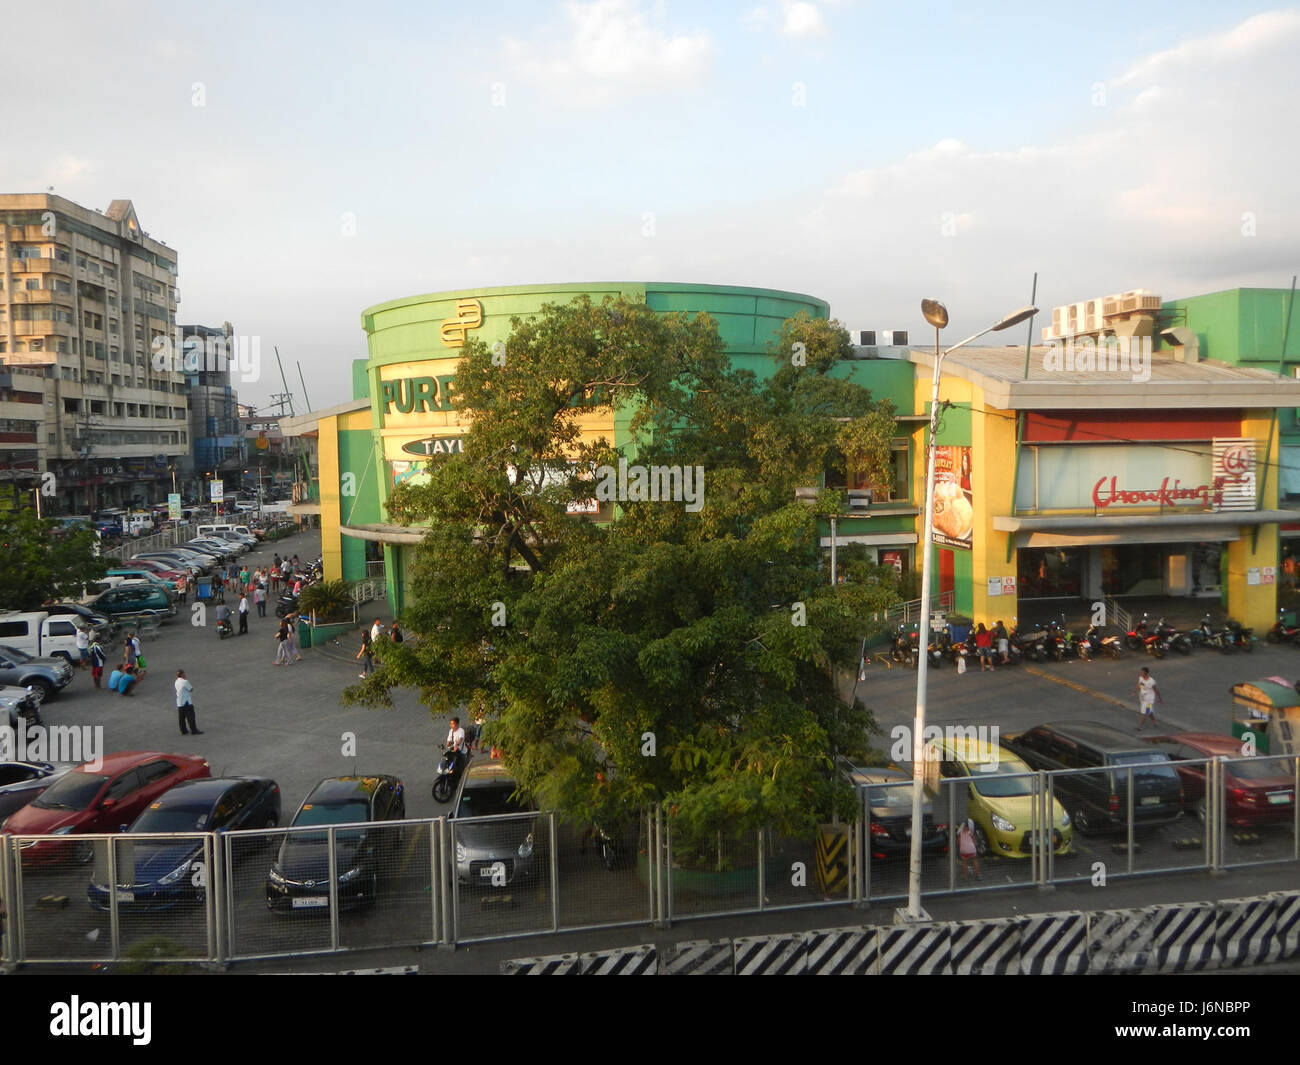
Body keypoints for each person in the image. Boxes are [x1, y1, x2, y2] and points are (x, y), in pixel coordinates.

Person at [175, 669, 202, 735]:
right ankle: (194, 730)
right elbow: (191, 689)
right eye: (184, 673)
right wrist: (186, 680)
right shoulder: (185, 681)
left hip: (179, 702)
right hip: (186, 702)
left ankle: (183, 730)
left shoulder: (176, 681)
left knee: (181, 717)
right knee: (191, 717)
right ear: (182, 674)